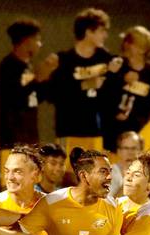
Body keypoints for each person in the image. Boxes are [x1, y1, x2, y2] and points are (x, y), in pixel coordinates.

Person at [49, 8, 122, 155]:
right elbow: (55, 94)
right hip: (68, 129)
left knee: (93, 173)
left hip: (96, 131)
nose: (105, 35)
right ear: (89, 32)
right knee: (69, 174)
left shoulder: (106, 58)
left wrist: (113, 74)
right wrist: (85, 85)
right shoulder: (65, 60)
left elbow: (113, 93)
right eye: (102, 31)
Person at [0, 18, 58, 174]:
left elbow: (37, 97)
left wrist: (47, 78)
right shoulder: (9, 66)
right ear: (26, 40)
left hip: (30, 136)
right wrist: (37, 78)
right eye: (37, 39)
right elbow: (16, 98)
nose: (40, 44)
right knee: (12, 183)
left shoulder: (27, 67)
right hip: (13, 138)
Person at [102, 26, 150, 151]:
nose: (127, 45)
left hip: (137, 129)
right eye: (126, 41)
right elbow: (103, 93)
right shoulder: (117, 65)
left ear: (143, 49)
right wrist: (120, 79)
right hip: (111, 129)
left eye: (132, 43)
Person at [109, 131, 142, 198]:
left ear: (141, 151)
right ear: (119, 151)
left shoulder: (148, 174)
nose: (130, 153)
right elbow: (109, 205)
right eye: (126, 148)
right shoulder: (109, 173)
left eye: (134, 148)